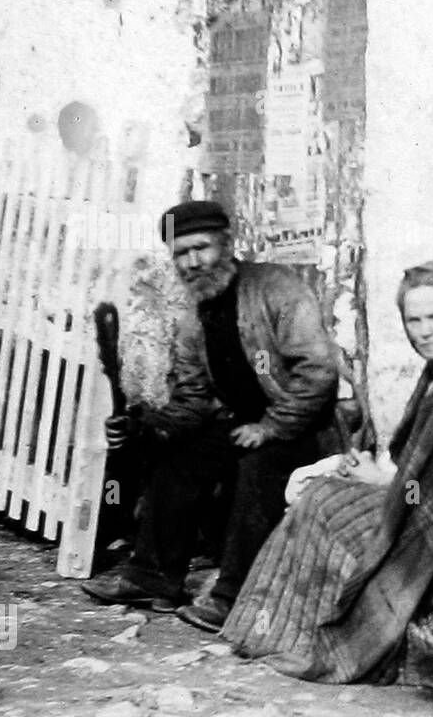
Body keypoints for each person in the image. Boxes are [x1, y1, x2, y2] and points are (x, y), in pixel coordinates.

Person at [219, 258, 433, 683]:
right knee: (323, 491)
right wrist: (384, 481)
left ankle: (315, 639)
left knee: (324, 505)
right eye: (413, 319)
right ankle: (275, 631)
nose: (424, 330)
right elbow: (429, 479)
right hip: (432, 510)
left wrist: (384, 483)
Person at [80, 200, 339, 633]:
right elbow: (195, 400)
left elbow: (317, 372)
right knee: (180, 457)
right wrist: (149, 425)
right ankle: (153, 579)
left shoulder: (276, 287)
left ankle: (232, 599)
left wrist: (273, 426)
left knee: (260, 468)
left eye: (201, 248)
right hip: (242, 425)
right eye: (180, 254)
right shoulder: (193, 315)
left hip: (306, 425)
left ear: (228, 244)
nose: (192, 262)